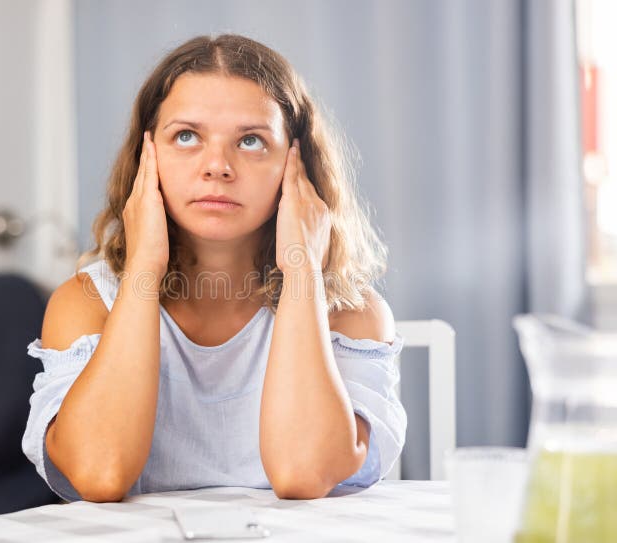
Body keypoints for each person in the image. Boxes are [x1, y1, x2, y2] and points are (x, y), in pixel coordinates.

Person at [22, 33, 406, 503]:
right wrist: (144, 265)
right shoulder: (84, 305)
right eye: (187, 136)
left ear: (297, 162)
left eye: (250, 141)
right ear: (148, 156)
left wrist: (302, 268)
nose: (217, 167)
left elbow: (302, 474)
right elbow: (100, 473)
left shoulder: (351, 312)